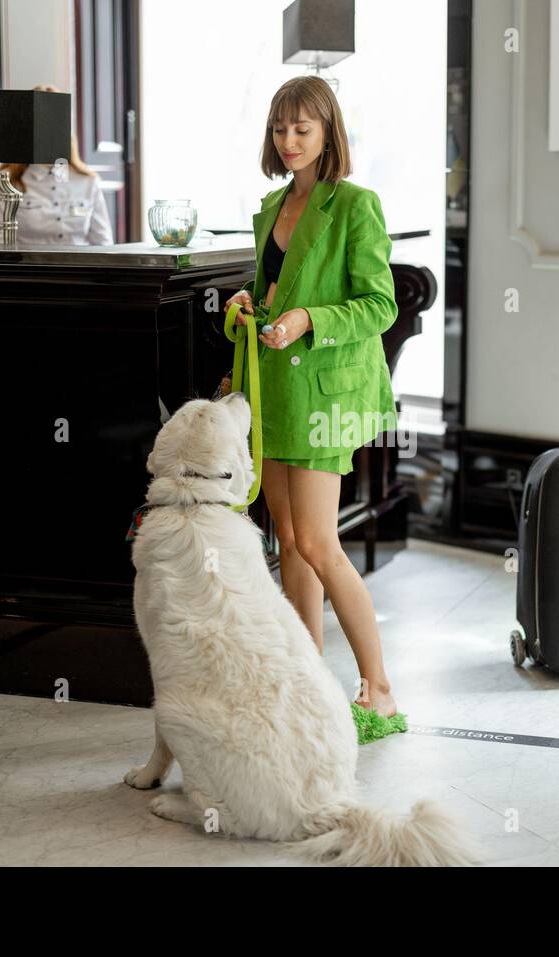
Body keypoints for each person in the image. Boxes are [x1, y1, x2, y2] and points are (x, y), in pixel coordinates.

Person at [222, 76, 402, 718]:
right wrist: (253, 302)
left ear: (328, 131)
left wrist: (308, 320)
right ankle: (309, 681)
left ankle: (378, 688)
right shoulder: (272, 207)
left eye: (302, 128)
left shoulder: (355, 204)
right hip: (275, 391)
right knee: (290, 542)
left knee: (321, 545)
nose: (289, 140)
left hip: (326, 395)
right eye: (279, 129)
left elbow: (379, 304)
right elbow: (274, 286)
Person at [1, 84, 114, 245]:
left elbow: (103, 243)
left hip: (79, 269)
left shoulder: (88, 181)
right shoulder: (7, 182)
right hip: (29, 269)